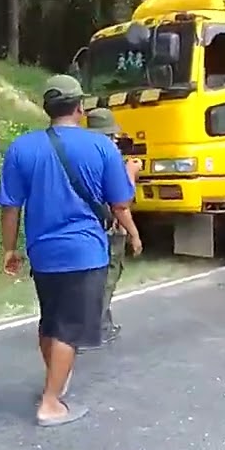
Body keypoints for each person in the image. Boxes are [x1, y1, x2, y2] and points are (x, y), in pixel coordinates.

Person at [0, 75, 141, 427]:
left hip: (43, 252)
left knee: (51, 321)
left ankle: (55, 380)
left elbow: (10, 207)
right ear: (80, 108)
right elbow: (120, 204)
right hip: (85, 253)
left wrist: (9, 249)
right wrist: (134, 235)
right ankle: (50, 403)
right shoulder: (101, 147)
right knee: (69, 329)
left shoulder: (22, 148)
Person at [84, 107, 143, 346]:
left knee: (89, 280)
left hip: (87, 228)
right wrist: (131, 173)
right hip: (108, 229)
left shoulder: (82, 157)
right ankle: (95, 330)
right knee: (108, 278)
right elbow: (122, 202)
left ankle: (102, 324)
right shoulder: (109, 159)